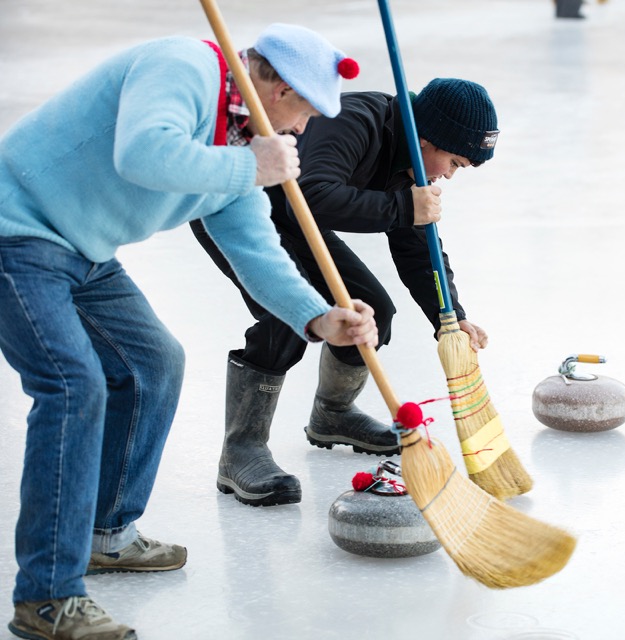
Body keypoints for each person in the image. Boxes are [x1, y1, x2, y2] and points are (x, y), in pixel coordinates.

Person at [0, 24, 375, 640]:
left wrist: (318, 316)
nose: (302, 131)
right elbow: (143, 152)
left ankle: (106, 534)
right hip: (20, 227)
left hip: (84, 251)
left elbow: (256, 247)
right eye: (304, 113)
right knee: (72, 386)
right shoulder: (185, 68)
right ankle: (46, 597)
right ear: (274, 85)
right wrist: (246, 165)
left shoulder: (244, 138)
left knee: (154, 363)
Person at [192, 77, 499, 508]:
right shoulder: (356, 121)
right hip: (238, 209)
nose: (448, 175)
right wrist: (403, 207)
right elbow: (313, 193)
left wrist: (449, 314)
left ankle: (332, 415)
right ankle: (242, 448)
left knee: (373, 312)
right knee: (286, 317)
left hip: (297, 221)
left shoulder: (410, 162)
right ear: (426, 139)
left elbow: (417, 248)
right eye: (453, 162)